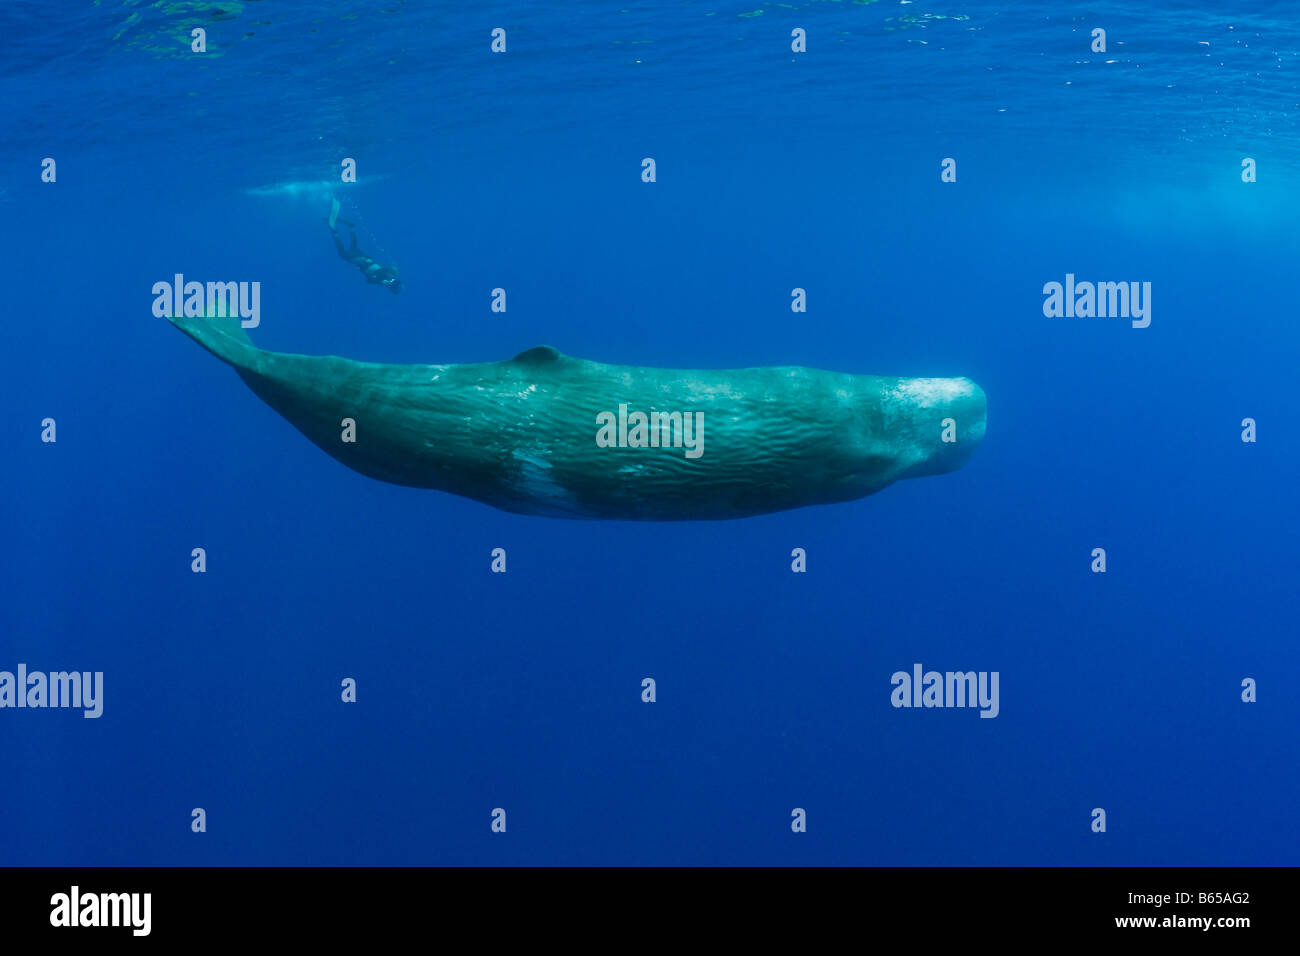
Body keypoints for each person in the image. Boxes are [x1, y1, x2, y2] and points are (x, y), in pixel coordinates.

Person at [328, 198, 403, 294]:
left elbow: (371, 279)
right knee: (343, 255)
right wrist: (380, 280)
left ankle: (352, 228)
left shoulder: (386, 278)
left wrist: (380, 280)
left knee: (353, 248)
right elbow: (371, 278)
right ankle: (335, 233)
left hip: (365, 259)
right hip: (363, 261)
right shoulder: (385, 277)